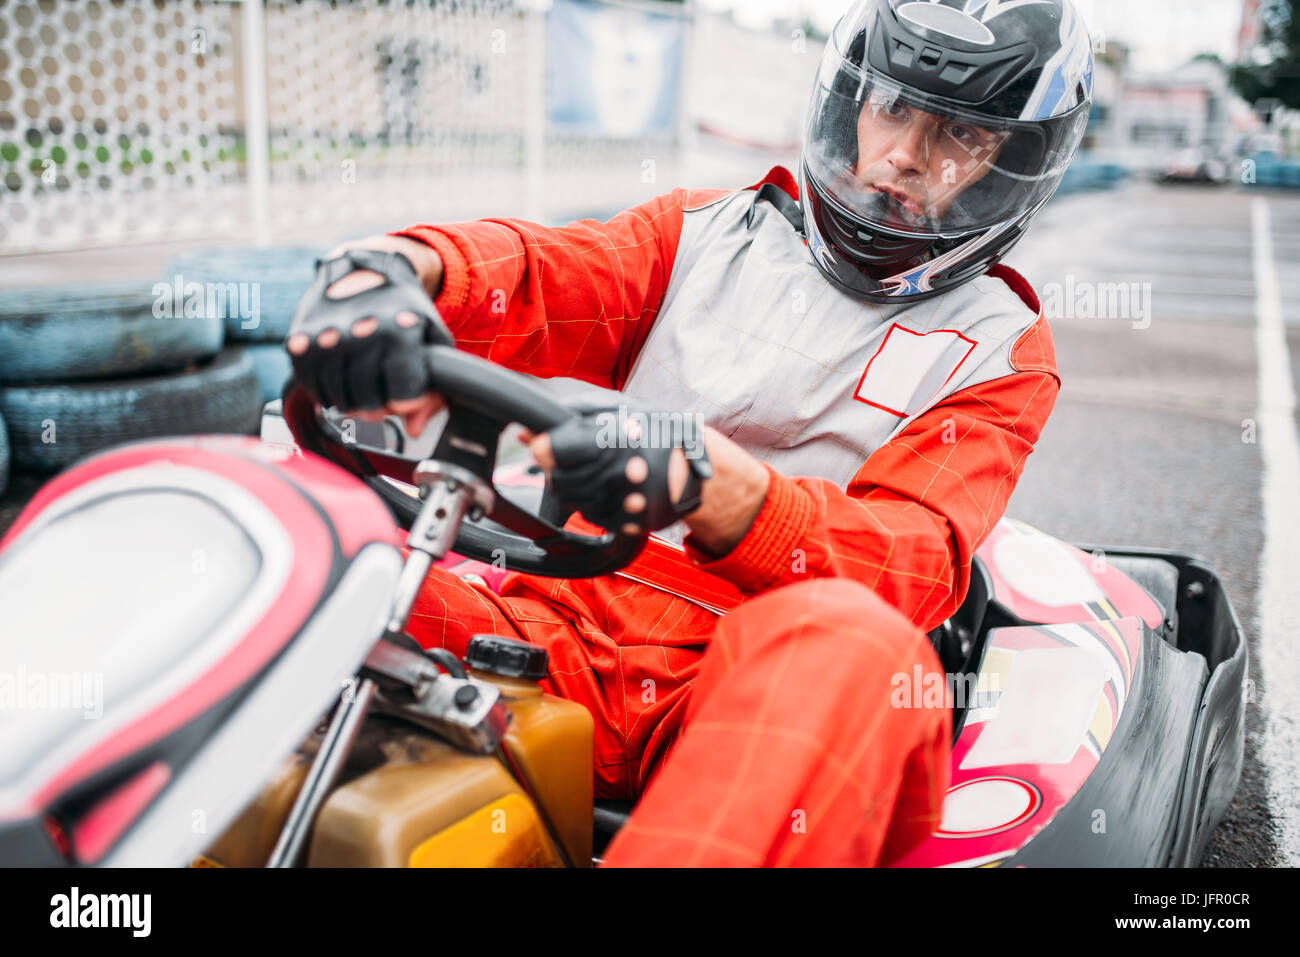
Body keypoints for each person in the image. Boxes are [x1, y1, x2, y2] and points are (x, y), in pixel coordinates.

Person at [286, 0, 1094, 866]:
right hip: (552, 628)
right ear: (850, 99)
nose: (901, 155)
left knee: (853, 644)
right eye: (893, 108)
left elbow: (913, 558)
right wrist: (406, 272)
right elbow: (543, 279)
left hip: (767, 676)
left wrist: (716, 487)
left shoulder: (999, 351)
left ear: (1014, 162)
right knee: (295, 551)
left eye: (959, 133)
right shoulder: (702, 236)